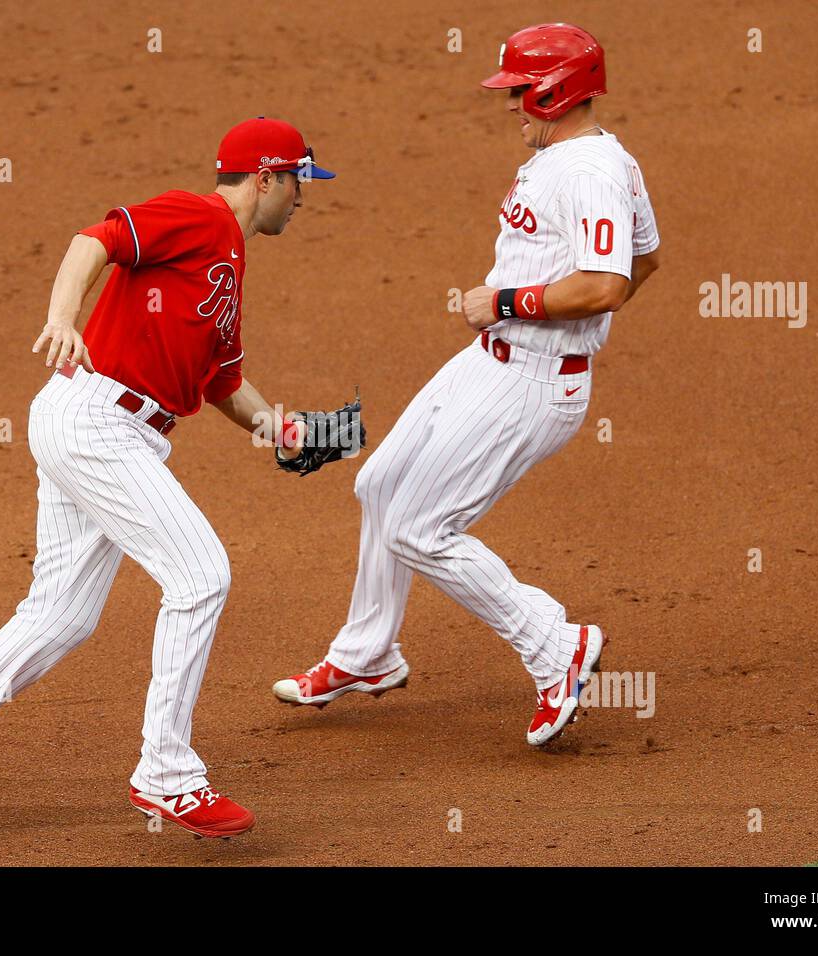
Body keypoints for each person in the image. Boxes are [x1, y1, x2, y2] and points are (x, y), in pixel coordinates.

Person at [0, 118, 349, 846]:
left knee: (60, 616)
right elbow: (92, 240)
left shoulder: (229, 263)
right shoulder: (196, 216)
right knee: (201, 575)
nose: (303, 199)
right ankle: (167, 774)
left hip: (111, 430)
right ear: (267, 177)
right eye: (299, 183)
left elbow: (222, 382)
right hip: (97, 419)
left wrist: (284, 429)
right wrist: (63, 320)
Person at [272, 24, 662, 747]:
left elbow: (610, 282)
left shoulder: (588, 172)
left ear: (554, 90)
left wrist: (518, 305)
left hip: (532, 379)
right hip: (491, 361)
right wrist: (536, 314)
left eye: (519, 91)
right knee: (380, 486)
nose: (511, 103)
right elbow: (645, 259)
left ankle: (555, 646)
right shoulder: (579, 158)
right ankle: (368, 655)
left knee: (423, 528)